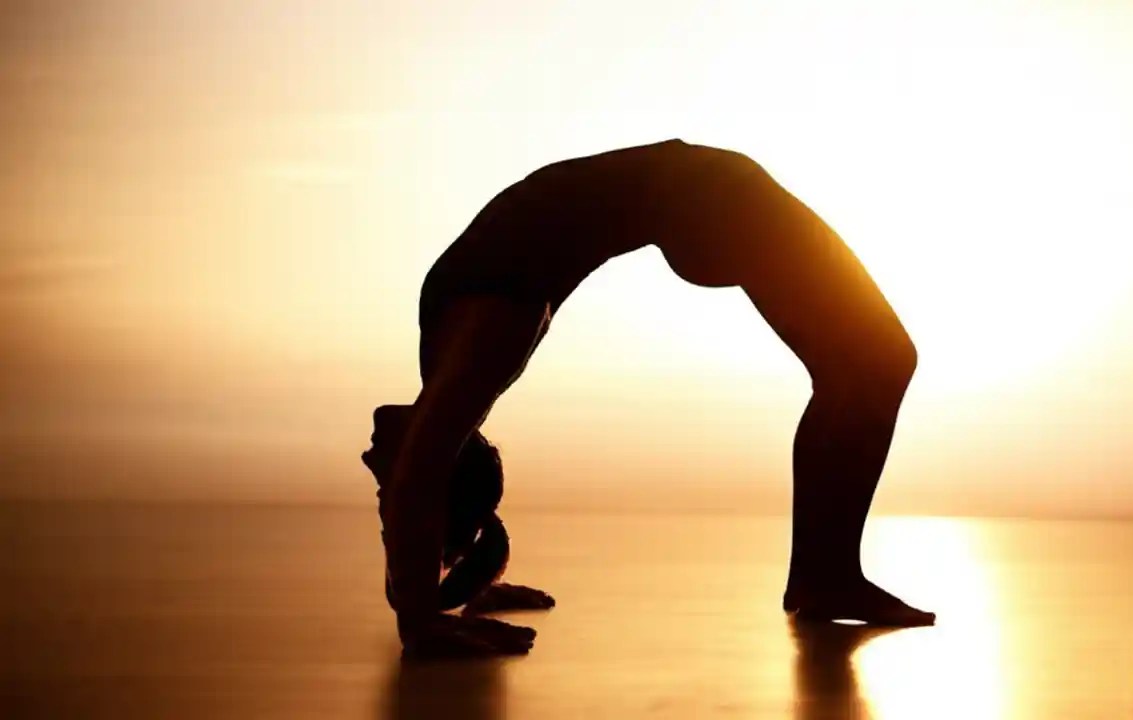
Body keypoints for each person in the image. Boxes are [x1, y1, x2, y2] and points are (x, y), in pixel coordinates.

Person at [373, 139, 934, 658]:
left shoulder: (494, 324)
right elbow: (420, 472)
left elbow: (418, 473)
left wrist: (422, 623)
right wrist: (469, 586)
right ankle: (823, 578)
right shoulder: (459, 327)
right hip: (705, 192)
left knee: (878, 362)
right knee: (868, 366)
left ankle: (826, 577)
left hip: (710, 195)